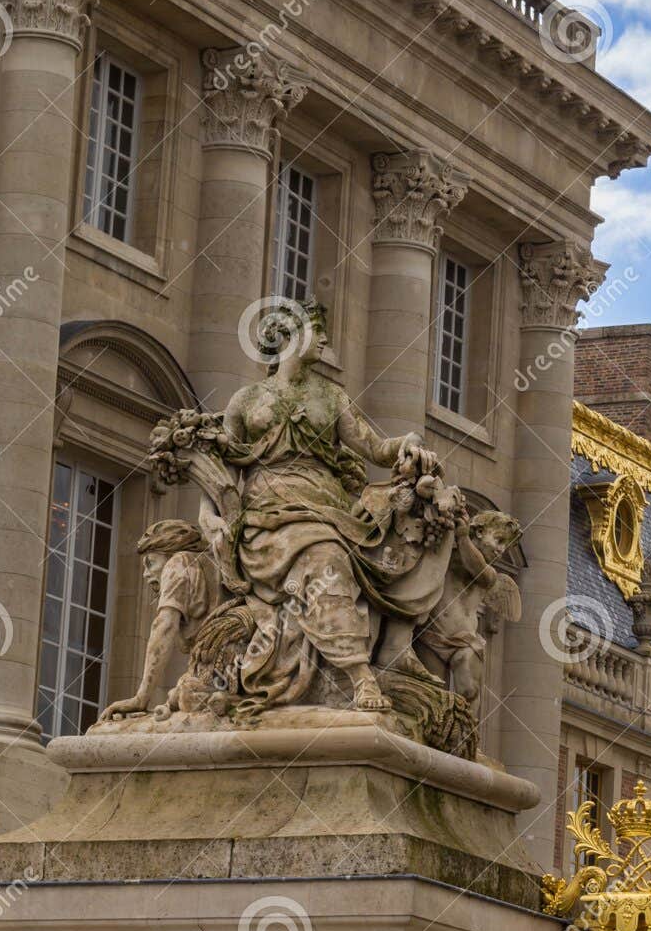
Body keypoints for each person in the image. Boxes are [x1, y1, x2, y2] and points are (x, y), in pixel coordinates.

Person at [219, 302, 442, 712]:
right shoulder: (246, 399)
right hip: (268, 513)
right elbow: (221, 460)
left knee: (338, 551)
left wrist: (407, 441)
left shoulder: (331, 397)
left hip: (327, 508)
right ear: (286, 333)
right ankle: (360, 676)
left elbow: (373, 447)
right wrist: (207, 513)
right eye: (315, 330)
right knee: (327, 559)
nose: (323, 340)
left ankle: (369, 661)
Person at [100, 521, 217, 720]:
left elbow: (164, 626)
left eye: (150, 563)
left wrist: (141, 697)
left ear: (169, 554)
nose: (146, 574)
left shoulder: (178, 562)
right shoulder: (209, 565)